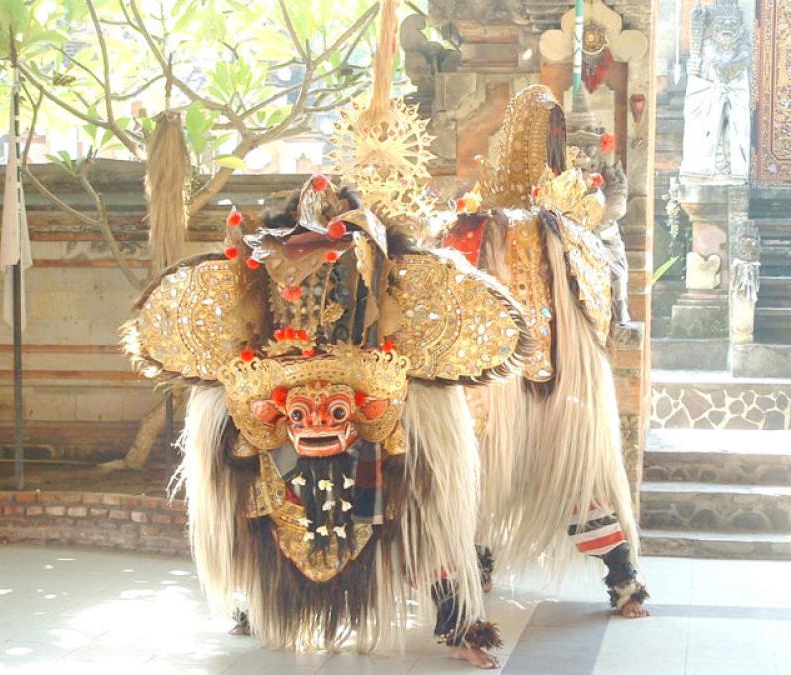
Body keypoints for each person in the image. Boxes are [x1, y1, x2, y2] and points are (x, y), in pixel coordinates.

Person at [123, 175, 534, 668]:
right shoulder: (256, 296)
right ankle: (255, 605)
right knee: (259, 519)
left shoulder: (389, 293)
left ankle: (456, 620)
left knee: (420, 517)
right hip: (279, 419)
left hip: (367, 418)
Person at [444, 85, 649, 618]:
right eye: (551, 143)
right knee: (489, 478)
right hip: (516, 381)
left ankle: (621, 578)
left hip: (545, 380)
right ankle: (616, 580)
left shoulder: (494, 225)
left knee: (561, 477)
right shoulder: (497, 226)